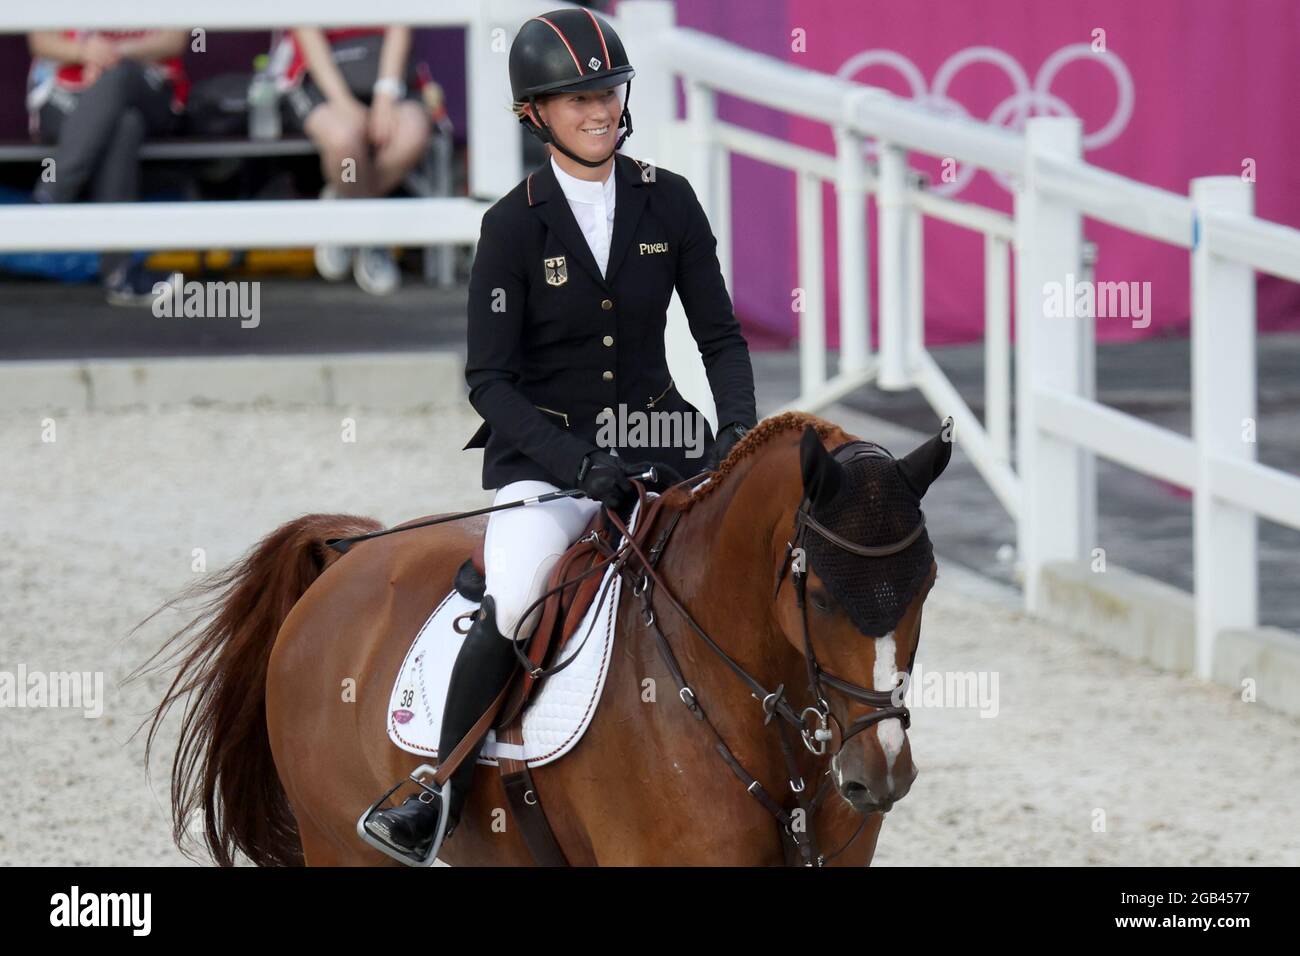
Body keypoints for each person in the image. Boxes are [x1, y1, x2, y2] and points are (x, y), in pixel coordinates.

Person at [364, 7, 757, 859]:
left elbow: (718, 337)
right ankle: (437, 791)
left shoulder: (670, 200)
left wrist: (736, 434)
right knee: (514, 595)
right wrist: (577, 463)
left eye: (610, 91)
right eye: (577, 98)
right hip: (551, 460)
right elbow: (489, 383)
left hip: (667, 442)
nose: (600, 110)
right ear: (534, 113)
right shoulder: (511, 226)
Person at [26, 29, 189, 305]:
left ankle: (50, 197)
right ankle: (119, 275)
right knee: (125, 124)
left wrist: (115, 54)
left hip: (144, 84)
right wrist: (84, 52)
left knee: (120, 75)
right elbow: (40, 41)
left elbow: (175, 40)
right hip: (67, 94)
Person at [271, 27, 431, 295]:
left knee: (411, 133)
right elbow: (305, 29)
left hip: (383, 70)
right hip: (318, 75)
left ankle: (345, 202)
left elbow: (399, 23)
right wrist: (343, 103)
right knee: (345, 141)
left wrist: (385, 96)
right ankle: (371, 236)